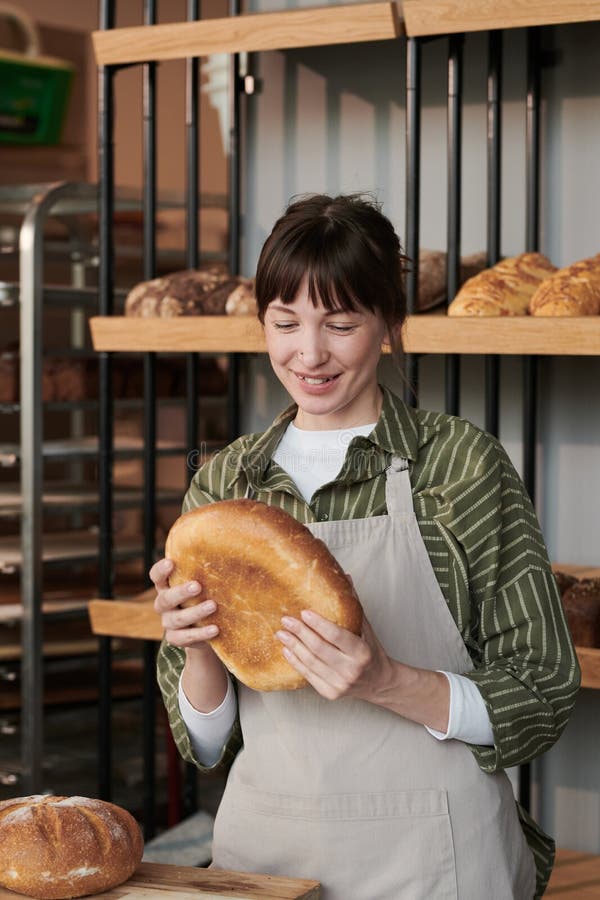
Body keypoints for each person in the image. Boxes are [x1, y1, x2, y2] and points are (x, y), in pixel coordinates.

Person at [153, 193, 580, 900]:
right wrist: (197, 645)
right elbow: (203, 745)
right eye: (285, 323)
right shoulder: (227, 482)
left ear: (388, 323)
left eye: (341, 323)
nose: (308, 354)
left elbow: (541, 695)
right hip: (266, 862)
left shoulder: (460, 466)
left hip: (437, 861)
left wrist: (386, 682)